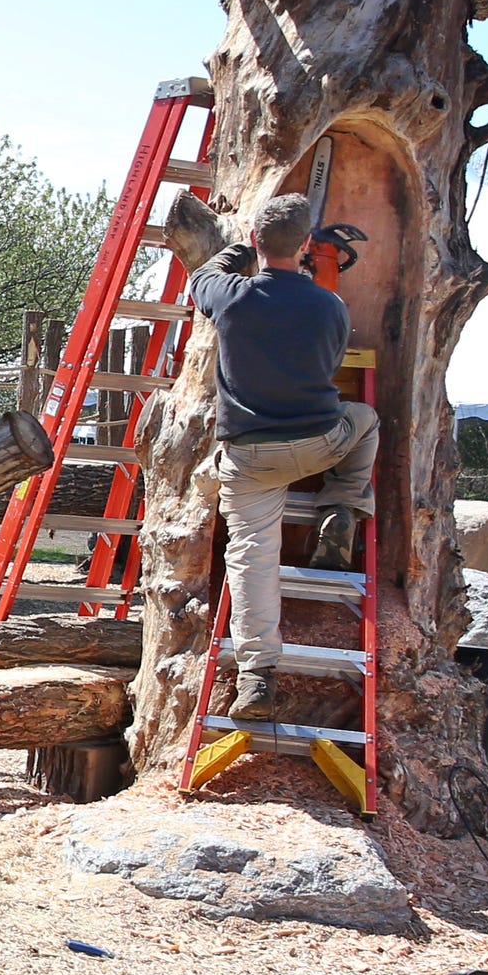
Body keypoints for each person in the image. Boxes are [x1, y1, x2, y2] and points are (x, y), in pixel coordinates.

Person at [184, 192, 376, 723]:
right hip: (319, 443)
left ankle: (255, 677)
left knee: (251, 558)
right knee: (366, 421)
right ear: (308, 245)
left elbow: (202, 276)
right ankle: (341, 505)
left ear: (254, 242)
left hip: (249, 455)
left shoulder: (233, 297)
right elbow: (330, 361)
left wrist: (237, 258)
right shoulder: (331, 306)